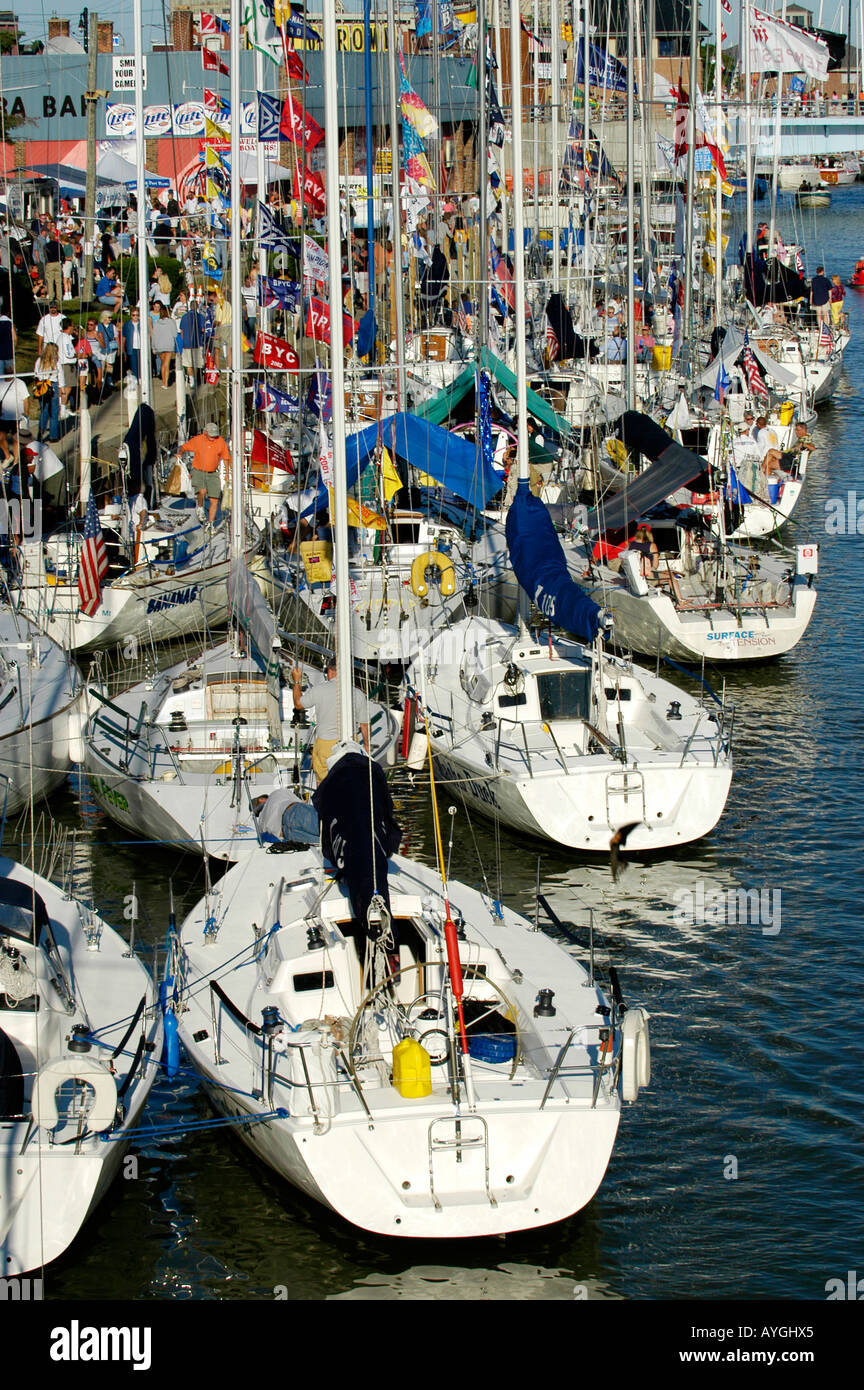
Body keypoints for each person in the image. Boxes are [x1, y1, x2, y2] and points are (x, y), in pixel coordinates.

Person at [291, 658, 371, 784]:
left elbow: (298, 704)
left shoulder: (319, 689)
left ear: (330, 671)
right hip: (351, 743)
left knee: (324, 783)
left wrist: (296, 681)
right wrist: (366, 745)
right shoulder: (358, 693)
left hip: (325, 744)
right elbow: (364, 724)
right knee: (350, 781)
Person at [183, 421, 229, 522]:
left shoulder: (220, 441)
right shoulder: (198, 440)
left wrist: (227, 474)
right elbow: (184, 447)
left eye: (214, 436)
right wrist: (179, 453)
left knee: (214, 500)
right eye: (211, 436)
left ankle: (210, 523)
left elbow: (225, 457)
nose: (213, 438)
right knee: (202, 491)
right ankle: (199, 507)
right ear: (205, 433)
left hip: (213, 473)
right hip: (199, 471)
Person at [251, 789, 319, 848]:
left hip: (288, 833)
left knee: (325, 838)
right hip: (295, 814)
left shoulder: (261, 819)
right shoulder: (276, 794)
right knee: (325, 832)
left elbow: (264, 836)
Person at [33, 342, 61, 442]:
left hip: (42, 386)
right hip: (52, 385)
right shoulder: (56, 362)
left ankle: (41, 430)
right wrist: (62, 389)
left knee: (44, 410)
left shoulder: (39, 361)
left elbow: (36, 373)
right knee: (54, 412)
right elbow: (60, 377)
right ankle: (53, 435)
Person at [151, 303, 177, 388]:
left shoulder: (157, 323)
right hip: (168, 344)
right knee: (167, 364)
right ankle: (166, 383)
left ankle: (164, 382)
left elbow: (154, 335)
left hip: (159, 345)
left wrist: (153, 348)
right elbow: (175, 334)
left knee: (163, 363)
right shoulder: (171, 322)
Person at [121, 306, 142, 382]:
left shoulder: (142, 323)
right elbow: (124, 337)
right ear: (131, 315)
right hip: (131, 347)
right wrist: (123, 349)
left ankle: (141, 377)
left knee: (141, 363)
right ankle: (136, 378)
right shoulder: (127, 325)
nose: (135, 317)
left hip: (141, 347)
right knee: (134, 364)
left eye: (137, 315)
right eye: (134, 315)